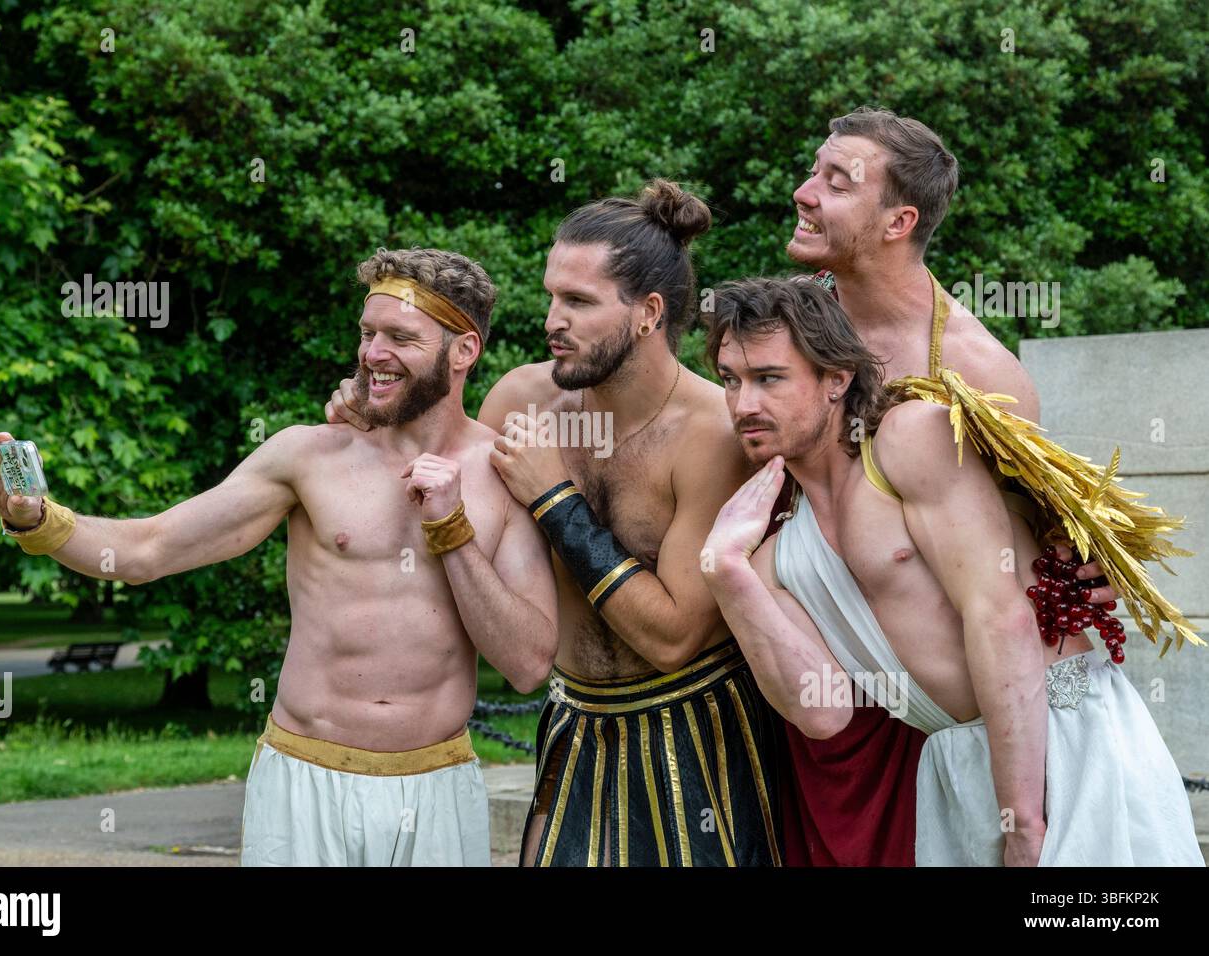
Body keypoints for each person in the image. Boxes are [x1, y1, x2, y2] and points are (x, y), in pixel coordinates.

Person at [0, 247, 559, 867]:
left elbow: (528, 665)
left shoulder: (507, 473)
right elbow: (148, 548)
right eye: (367, 333)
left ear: (463, 351)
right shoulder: (307, 457)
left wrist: (450, 526)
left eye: (401, 337)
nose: (371, 355)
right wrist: (40, 522)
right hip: (303, 783)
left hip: (438, 787)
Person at [327, 181, 784, 866]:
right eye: (550, 296)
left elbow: (671, 636)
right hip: (573, 724)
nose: (551, 320)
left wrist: (555, 500)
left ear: (647, 313)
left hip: (696, 732)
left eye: (577, 301)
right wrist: (376, 424)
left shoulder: (712, 434)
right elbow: (439, 497)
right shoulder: (520, 397)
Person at [701, 275, 1202, 865]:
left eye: (769, 378)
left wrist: (1027, 822)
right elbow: (824, 710)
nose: (743, 404)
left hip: (1061, 738)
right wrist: (725, 570)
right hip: (953, 767)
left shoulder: (909, 438)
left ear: (836, 378)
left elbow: (1000, 616)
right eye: (731, 380)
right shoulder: (773, 556)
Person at [772, 106, 1121, 865]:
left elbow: (1024, 584)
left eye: (836, 181)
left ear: (899, 222)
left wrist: (1083, 573)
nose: (803, 191)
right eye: (813, 170)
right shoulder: (793, 341)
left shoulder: (979, 375)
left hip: (993, 732)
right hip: (853, 722)